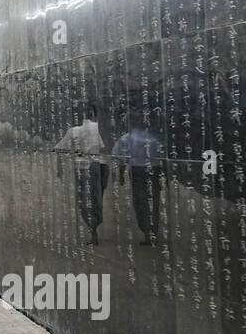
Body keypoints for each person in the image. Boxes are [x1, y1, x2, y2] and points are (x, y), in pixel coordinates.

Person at [54, 104, 107, 246]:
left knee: (84, 199)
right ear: (94, 114)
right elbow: (103, 148)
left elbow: (59, 147)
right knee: (96, 197)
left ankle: (92, 230)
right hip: (99, 166)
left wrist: (59, 167)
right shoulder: (97, 128)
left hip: (82, 167)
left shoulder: (73, 131)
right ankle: (95, 226)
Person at [112, 124, 164, 246]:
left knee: (140, 201)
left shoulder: (128, 137)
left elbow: (122, 157)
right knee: (152, 201)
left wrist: (121, 174)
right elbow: (161, 157)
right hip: (152, 170)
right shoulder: (154, 137)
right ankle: (151, 233)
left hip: (137, 170)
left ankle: (147, 232)